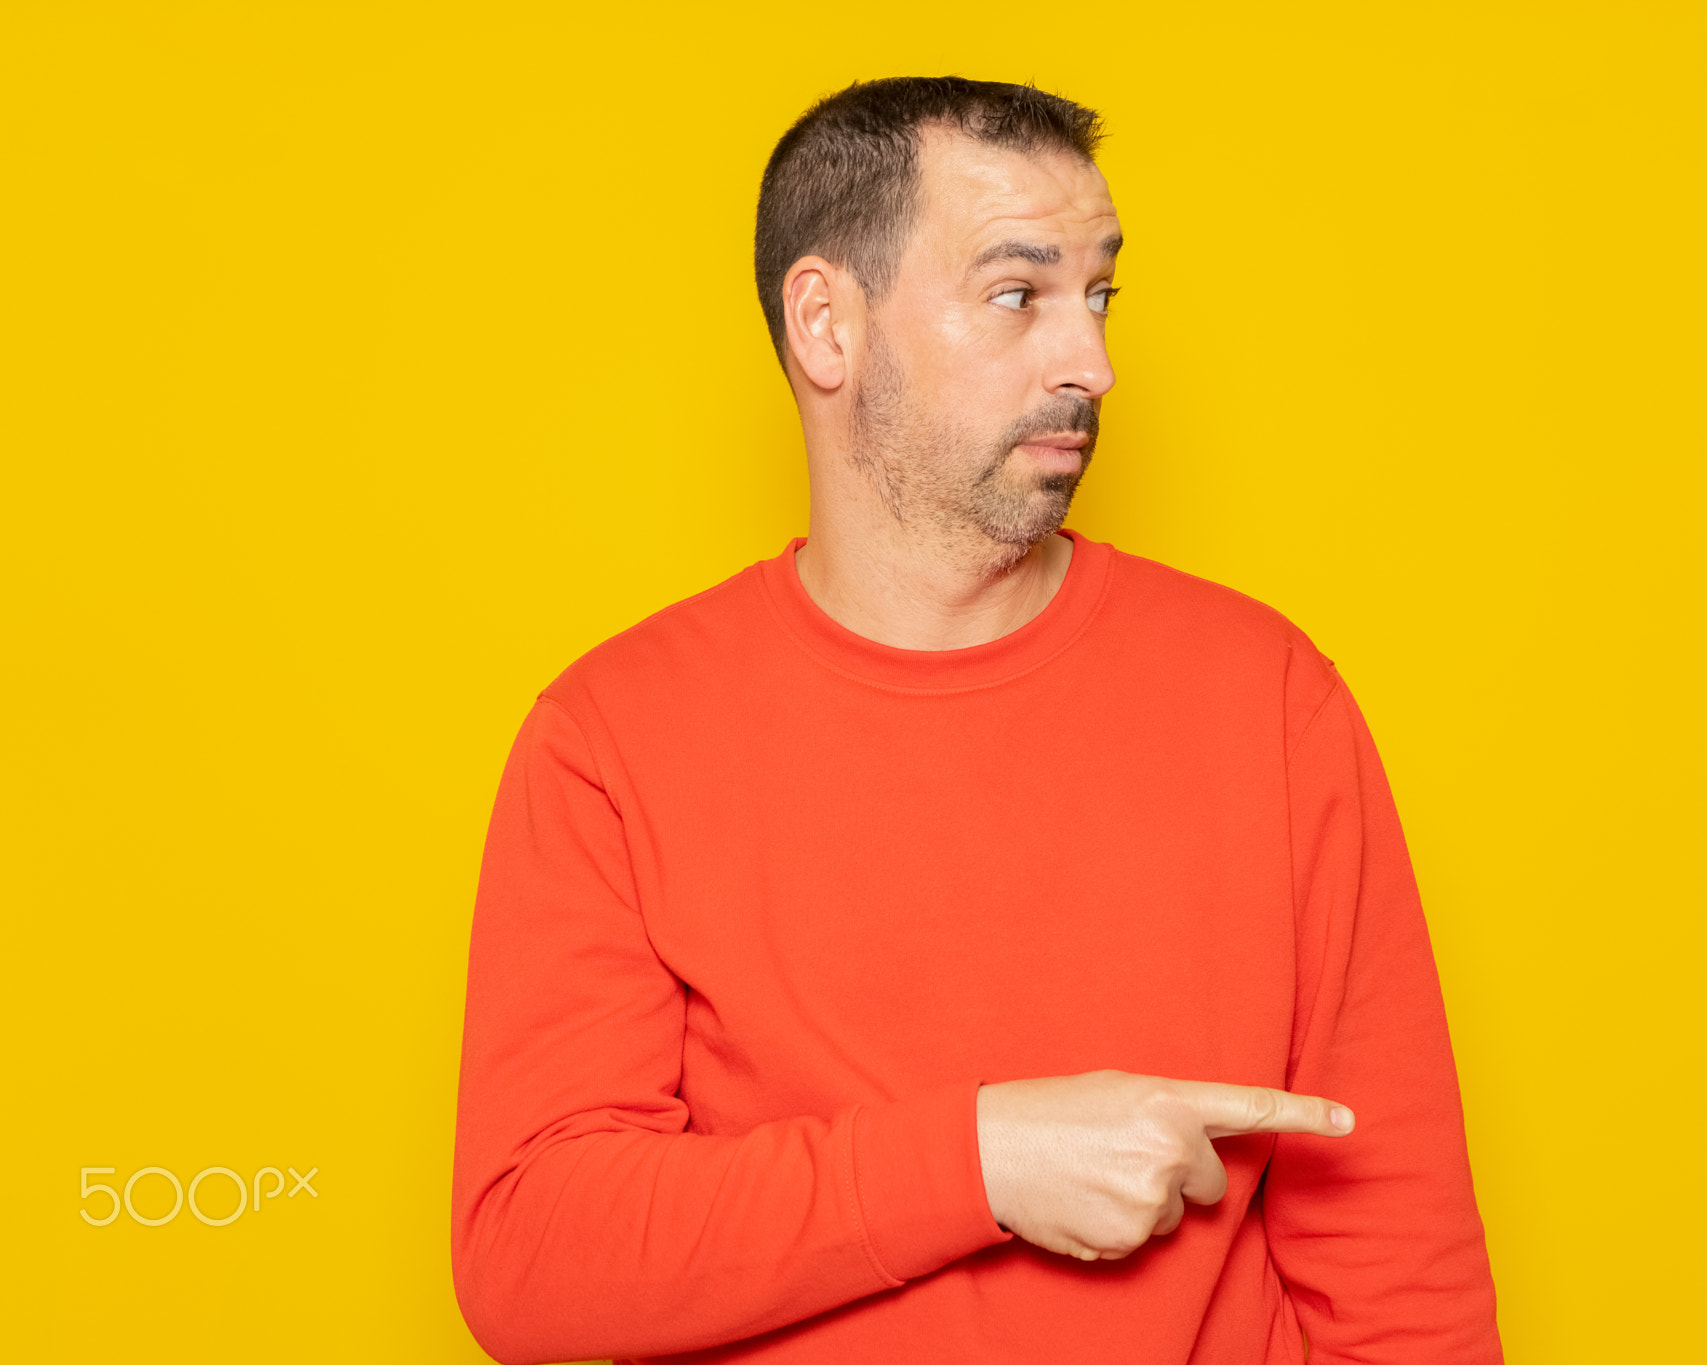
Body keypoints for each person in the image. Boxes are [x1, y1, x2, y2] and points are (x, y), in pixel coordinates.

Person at [451, 77, 1502, 1364]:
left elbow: (1395, 1268)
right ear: (826, 326)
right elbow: (535, 1258)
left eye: (1098, 295)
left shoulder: (1269, 699)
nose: (1092, 364)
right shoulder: (612, 740)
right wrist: (981, 1159)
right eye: (1018, 295)